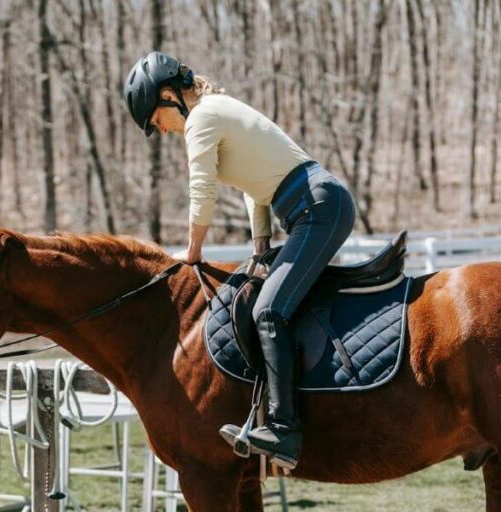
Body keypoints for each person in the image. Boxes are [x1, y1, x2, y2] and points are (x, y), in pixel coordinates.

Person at [124, 51, 356, 469]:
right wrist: (260, 245)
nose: (164, 130)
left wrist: (193, 251)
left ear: (168, 96)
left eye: (157, 120)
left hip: (317, 208)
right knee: (266, 299)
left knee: (269, 311)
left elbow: (202, 189)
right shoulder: (217, 110)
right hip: (313, 207)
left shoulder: (201, 119)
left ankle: (284, 430)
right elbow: (256, 185)